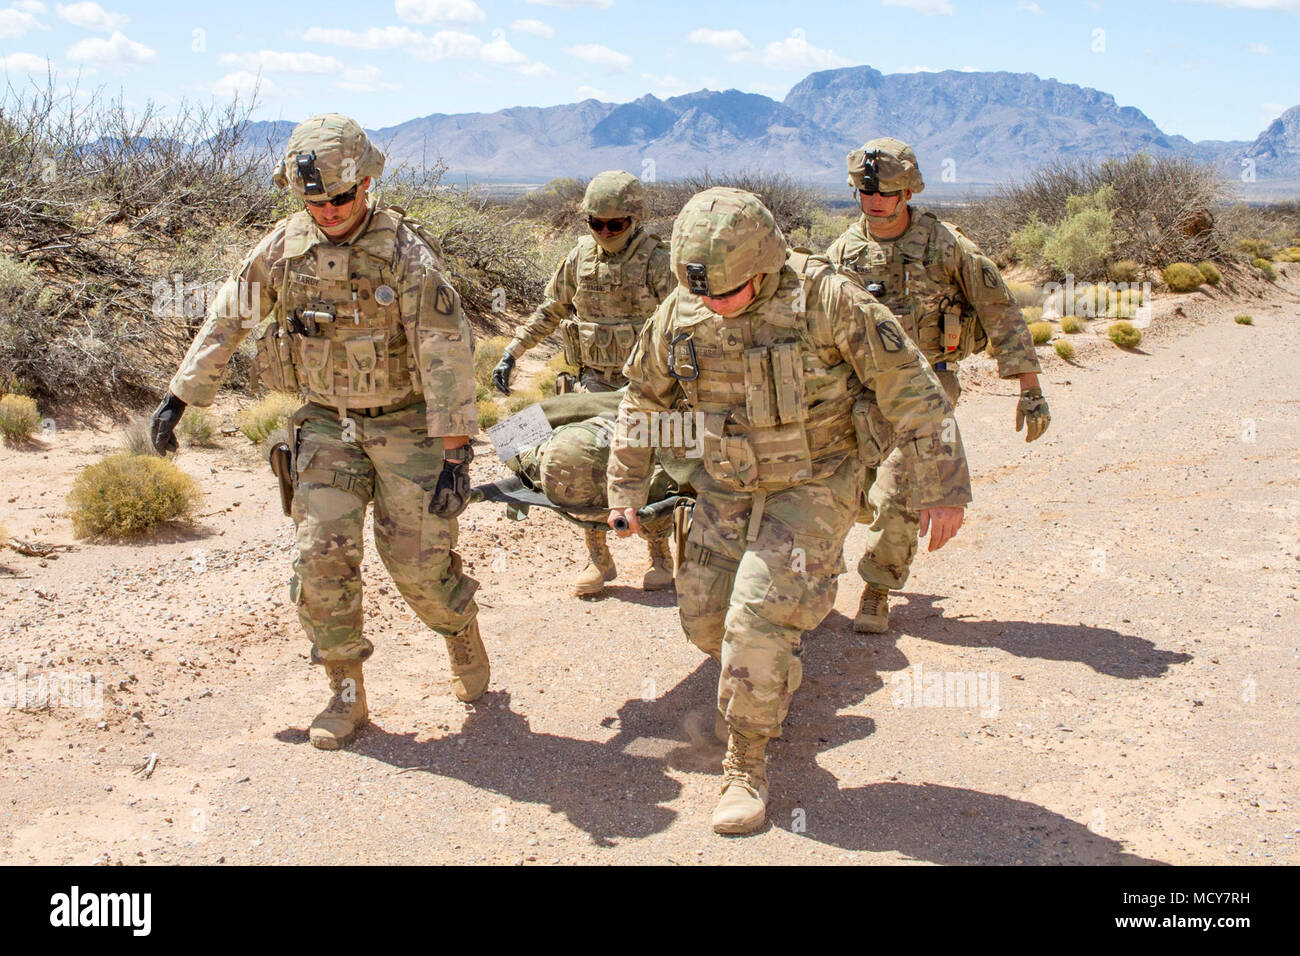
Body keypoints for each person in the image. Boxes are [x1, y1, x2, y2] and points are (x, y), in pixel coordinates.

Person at [607, 187, 972, 834]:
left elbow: (914, 390)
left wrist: (942, 486)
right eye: (704, 294)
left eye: (728, 291)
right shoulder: (680, 311)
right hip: (724, 481)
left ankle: (745, 764)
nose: (715, 306)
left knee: (755, 617)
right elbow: (642, 401)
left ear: (766, 262)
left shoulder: (830, 300)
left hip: (815, 480)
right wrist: (625, 489)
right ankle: (772, 662)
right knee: (704, 623)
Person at [149, 113, 488, 751]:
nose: (328, 211)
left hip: (408, 426)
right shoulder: (285, 245)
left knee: (419, 571)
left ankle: (457, 625)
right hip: (327, 425)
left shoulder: (406, 255)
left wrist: (453, 455)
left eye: (339, 197)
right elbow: (233, 315)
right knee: (321, 560)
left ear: (366, 184)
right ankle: (346, 694)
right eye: (314, 200)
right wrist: (181, 396)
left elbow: (445, 352)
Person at [825, 137, 1051, 634]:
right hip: (860, 391)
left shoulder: (946, 245)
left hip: (927, 390)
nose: (875, 201)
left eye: (887, 191)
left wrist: (1029, 387)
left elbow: (1001, 312)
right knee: (834, 488)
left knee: (901, 488)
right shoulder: (843, 253)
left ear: (908, 191)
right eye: (866, 192)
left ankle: (878, 587)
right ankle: (812, 583)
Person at [492, 170, 675, 596]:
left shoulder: (658, 262)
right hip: (591, 386)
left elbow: (684, 321)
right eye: (596, 224)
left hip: (645, 390)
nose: (605, 232)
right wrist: (511, 353)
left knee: (655, 464)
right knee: (528, 442)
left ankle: (659, 553)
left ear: (637, 218)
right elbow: (550, 310)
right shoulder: (578, 258)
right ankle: (598, 556)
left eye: (616, 224)